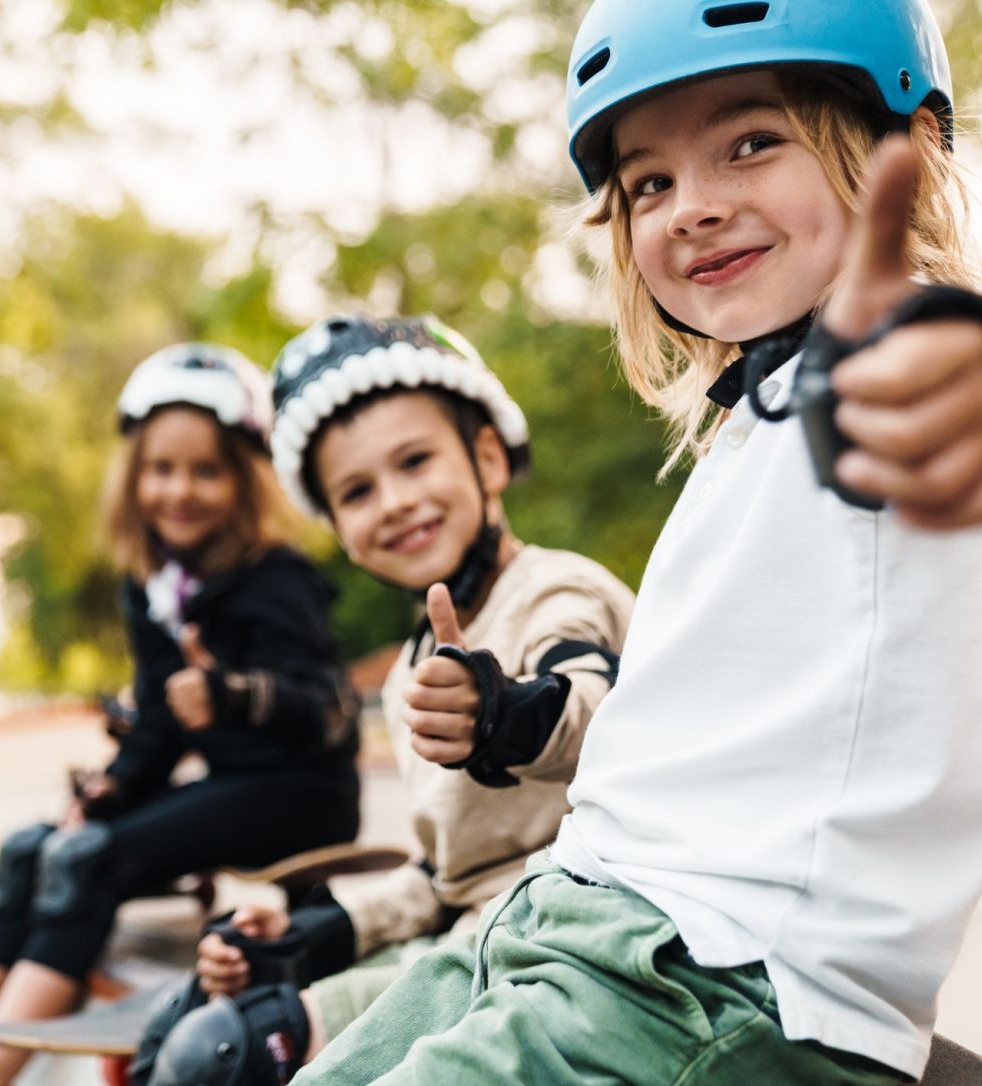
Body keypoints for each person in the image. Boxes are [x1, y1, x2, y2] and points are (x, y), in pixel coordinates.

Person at [291, 1, 982, 1083]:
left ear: (900, 154)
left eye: (750, 144)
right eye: (649, 182)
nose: (692, 208)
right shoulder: (750, 426)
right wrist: (511, 716)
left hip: (722, 976)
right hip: (569, 926)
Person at [130, 315, 634, 1085]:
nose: (394, 502)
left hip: (565, 938)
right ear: (339, 527)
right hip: (470, 931)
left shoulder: (556, 591)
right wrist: (311, 929)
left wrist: (503, 711)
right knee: (202, 1012)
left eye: (416, 461)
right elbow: (444, 876)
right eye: (357, 491)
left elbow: (591, 705)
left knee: (224, 1054)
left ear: (489, 458)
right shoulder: (414, 666)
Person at [0, 343, 362, 1086]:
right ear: (133, 478)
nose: (179, 490)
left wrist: (235, 696)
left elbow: (328, 715)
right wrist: (109, 791)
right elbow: (157, 726)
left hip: (302, 797)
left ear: (245, 482)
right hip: (232, 792)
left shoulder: (277, 579)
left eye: (205, 471)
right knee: (38, 848)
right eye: (161, 469)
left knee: (89, 864)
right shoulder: (153, 588)